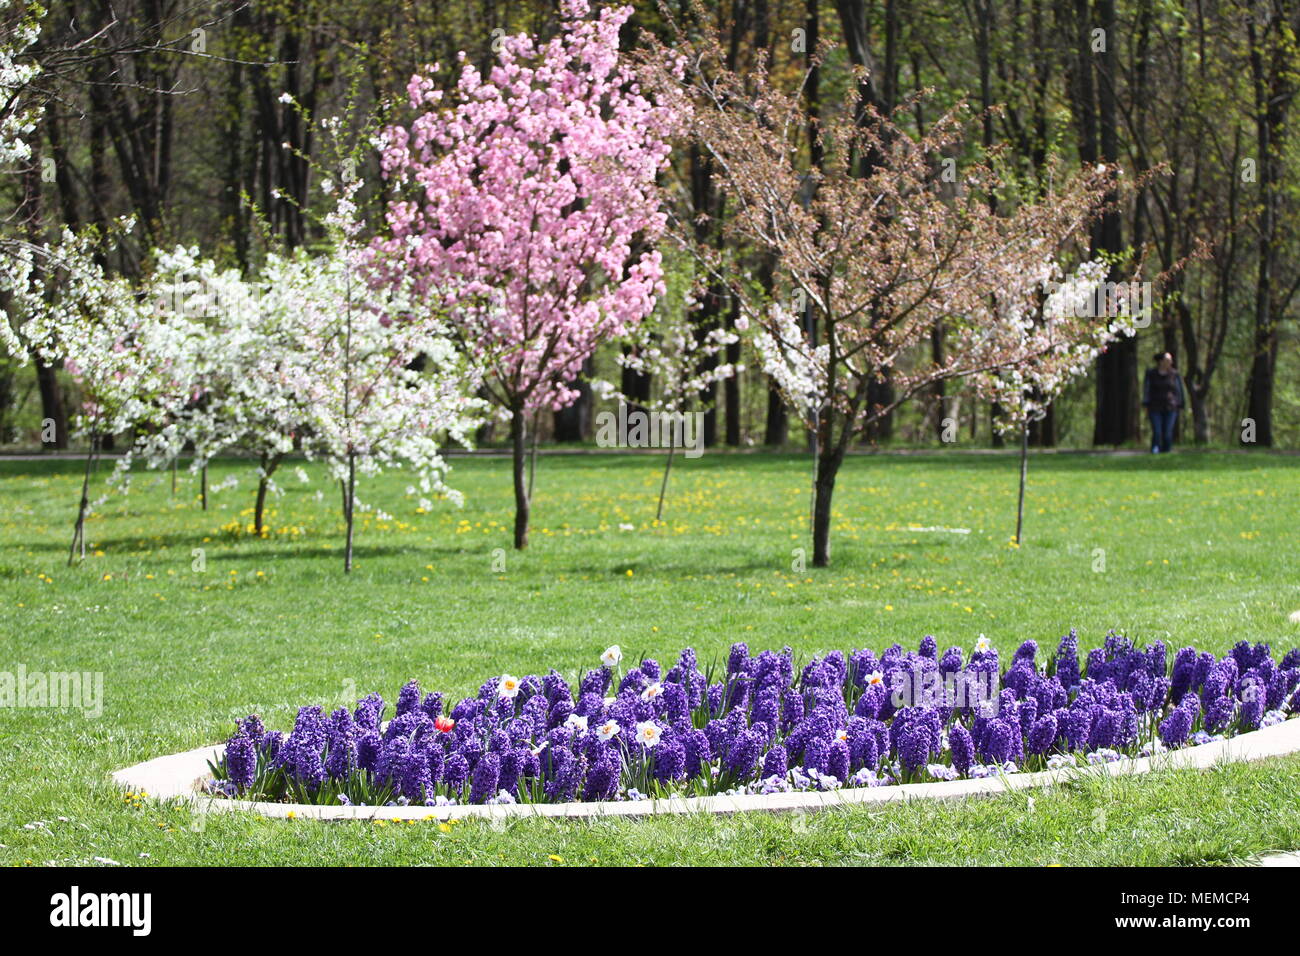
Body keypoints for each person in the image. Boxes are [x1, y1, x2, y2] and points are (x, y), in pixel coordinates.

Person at [1142, 351, 1185, 453]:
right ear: (1161, 361)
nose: (1170, 362)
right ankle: (1155, 449)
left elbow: (1179, 390)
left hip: (1171, 407)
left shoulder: (1174, 374)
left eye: (1170, 360)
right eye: (1168, 360)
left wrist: (1180, 403)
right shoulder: (1151, 374)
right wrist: (1145, 403)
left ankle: (1166, 450)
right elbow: (1147, 389)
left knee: (1168, 432)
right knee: (1157, 431)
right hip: (1155, 407)